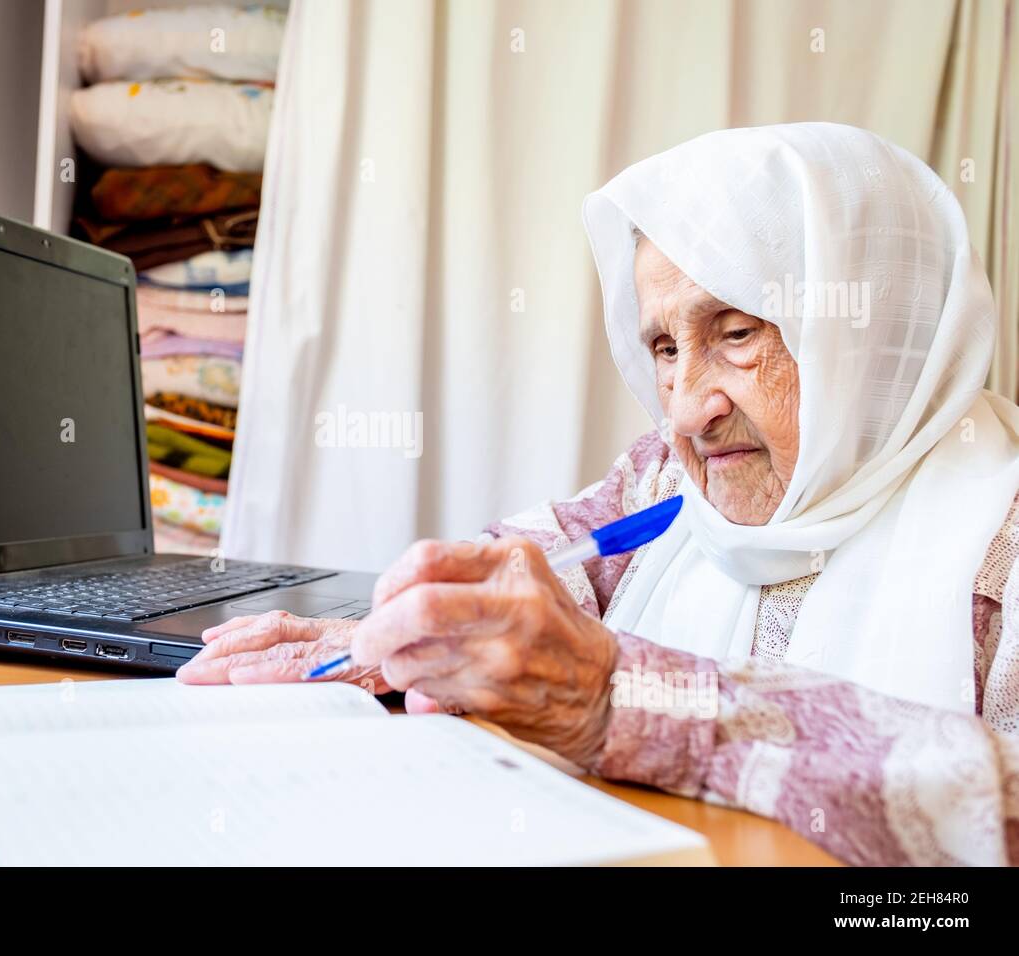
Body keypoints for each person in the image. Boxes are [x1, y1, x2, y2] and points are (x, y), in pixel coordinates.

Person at [178, 123, 1019, 866]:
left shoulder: (1001, 527)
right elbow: (535, 571)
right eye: (662, 347)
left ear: (869, 328)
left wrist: (628, 701)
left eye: (737, 332)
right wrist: (394, 637)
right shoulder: (669, 479)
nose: (687, 408)